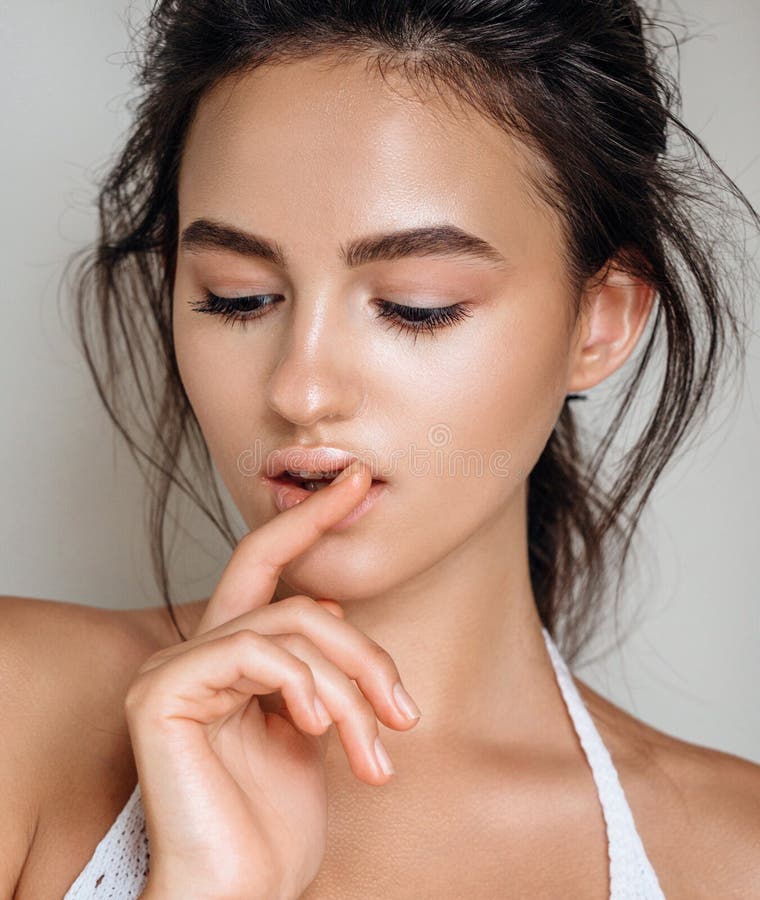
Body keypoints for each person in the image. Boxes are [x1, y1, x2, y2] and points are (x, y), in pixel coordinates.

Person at [4, 1, 760, 898]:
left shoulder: (728, 855)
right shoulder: (23, 710)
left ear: (600, 321)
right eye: (238, 298)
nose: (301, 390)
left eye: (417, 305)